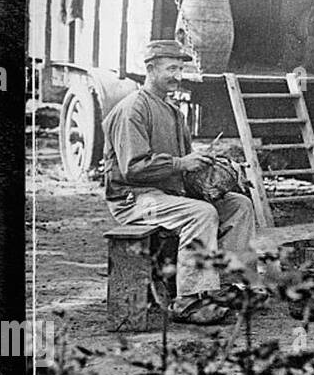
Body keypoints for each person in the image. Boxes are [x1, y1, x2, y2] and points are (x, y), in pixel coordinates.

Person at [103, 40, 256, 325]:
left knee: (239, 205)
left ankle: (230, 286)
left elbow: (184, 162)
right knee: (201, 213)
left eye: (180, 69)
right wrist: (181, 164)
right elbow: (132, 168)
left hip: (169, 194)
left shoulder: (173, 111)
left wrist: (210, 165)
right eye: (171, 68)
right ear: (150, 69)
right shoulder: (132, 109)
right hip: (135, 199)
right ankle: (189, 300)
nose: (177, 75)